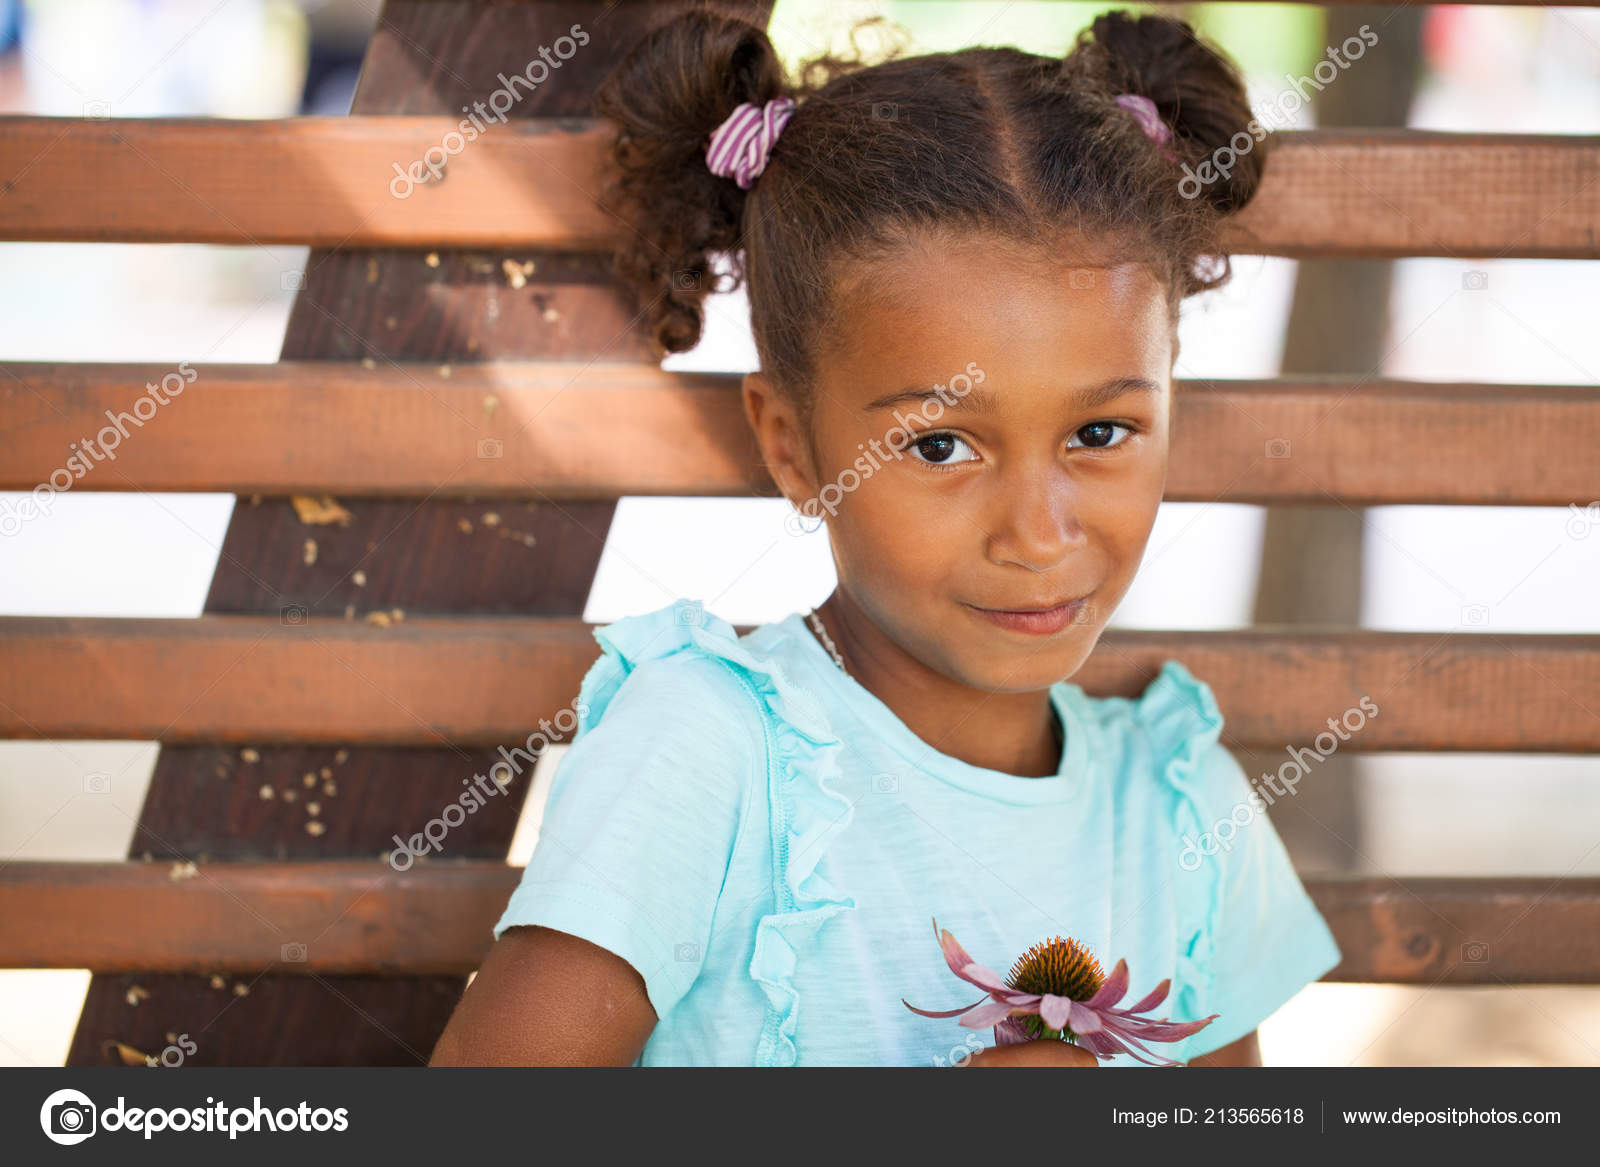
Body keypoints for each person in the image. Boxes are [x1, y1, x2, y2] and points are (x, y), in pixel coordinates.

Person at [430, 4, 1339, 1068]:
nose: (1040, 536)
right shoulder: (714, 754)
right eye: (941, 447)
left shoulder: (1179, 806)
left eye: (1100, 432)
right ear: (791, 446)